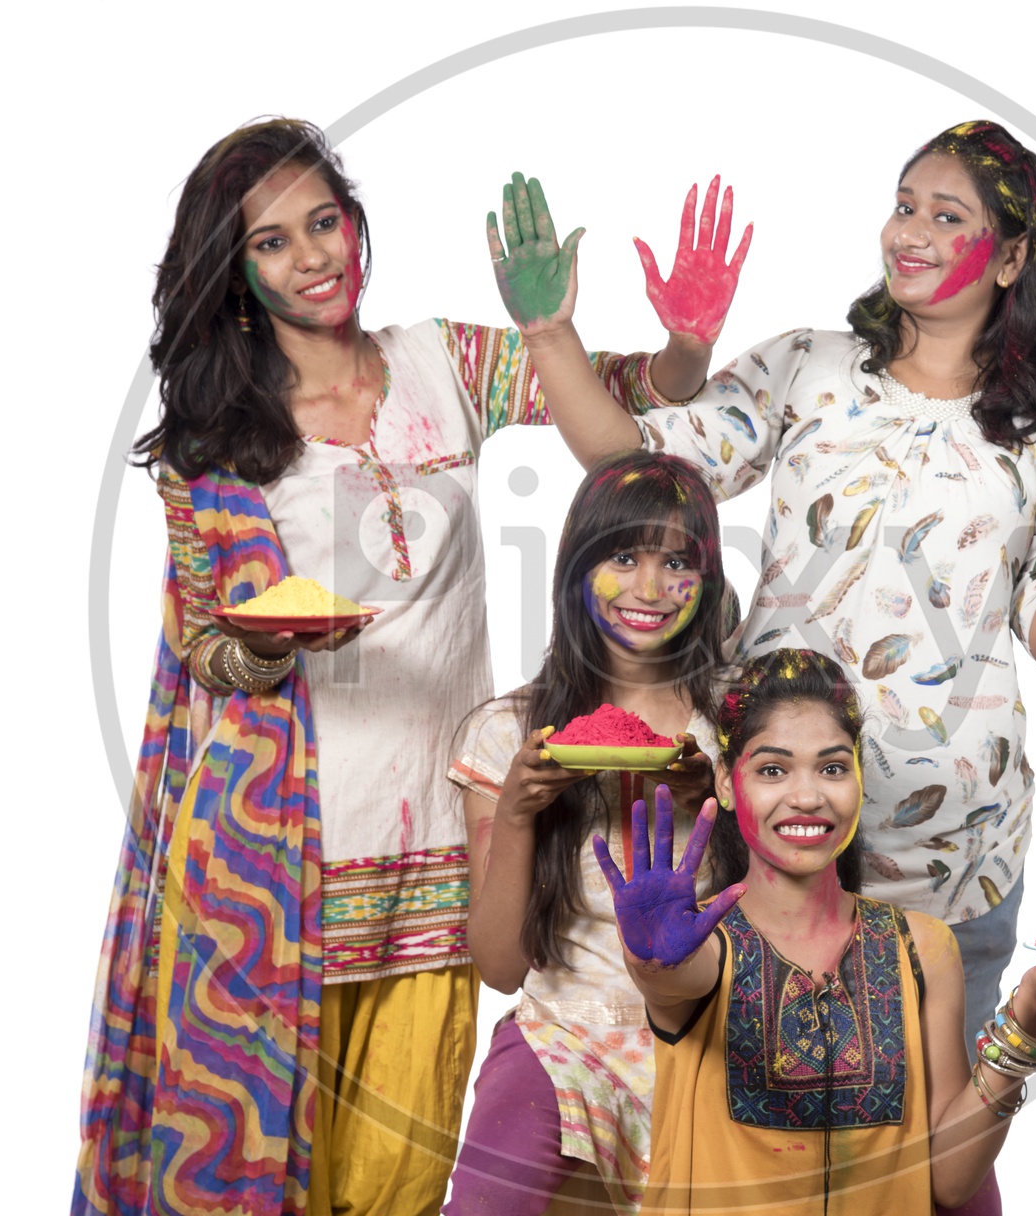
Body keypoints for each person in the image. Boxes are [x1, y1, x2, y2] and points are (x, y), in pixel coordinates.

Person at [488, 121, 1036, 1052]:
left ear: (1012, 257)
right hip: (768, 832)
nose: (912, 232)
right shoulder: (807, 366)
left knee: (930, 1130)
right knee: (762, 1120)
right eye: (905, 206)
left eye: (948, 216)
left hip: (953, 855)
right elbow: (635, 466)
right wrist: (551, 335)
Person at [73, 120, 734, 1216]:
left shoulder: (441, 361)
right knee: (254, 1176)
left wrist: (669, 347)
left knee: (401, 1183)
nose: (314, 257)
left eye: (325, 222)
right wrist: (265, 644)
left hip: (442, 850)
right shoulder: (214, 441)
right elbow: (205, 647)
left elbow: (624, 427)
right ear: (236, 275)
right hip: (274, 865)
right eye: (274, 242)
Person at [596, 650, 1036, 1214]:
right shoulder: (702, 944)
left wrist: (1030, 1007)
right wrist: (653, 964)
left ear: (858, 777)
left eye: (832, 768)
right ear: (726, 783)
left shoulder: (921, 948)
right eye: (772, 770)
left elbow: (951, 1180)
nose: (807, 796)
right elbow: (674, 979)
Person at [444, 450, 732, 1213]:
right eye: (623, 557)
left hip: (713, 1026)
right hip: (562, 1033)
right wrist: (516, 813)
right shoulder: (508, 730)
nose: (650, 588)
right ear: (577, 568)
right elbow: (500, 967)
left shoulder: (742, 727)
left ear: (709, 579)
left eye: (677, 562)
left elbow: (796, 913)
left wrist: (721, 804)